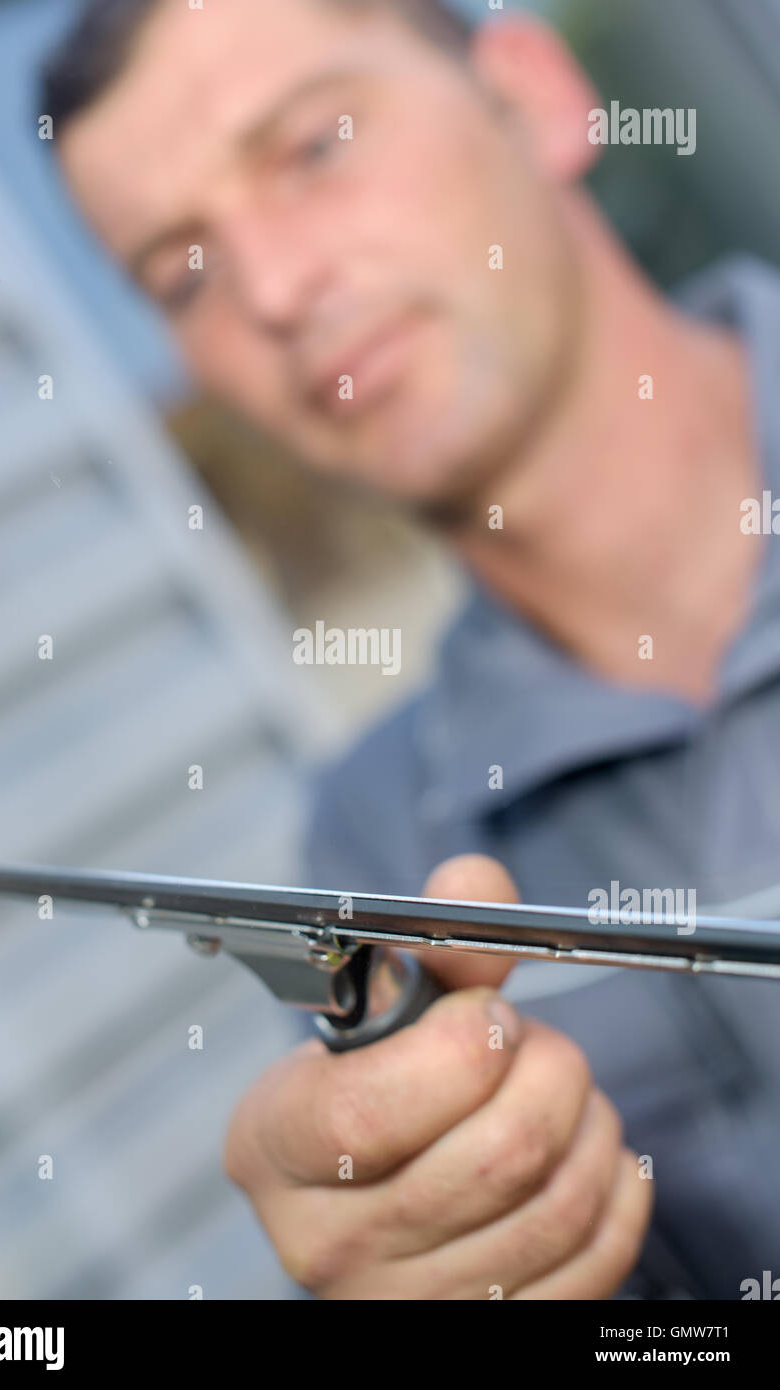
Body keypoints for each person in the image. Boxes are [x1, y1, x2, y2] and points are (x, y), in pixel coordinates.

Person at [42, 0, 780, 1299]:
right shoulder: (378, 857)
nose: (272, 290)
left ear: (537, 95)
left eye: (314, 143)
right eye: (185, 273)